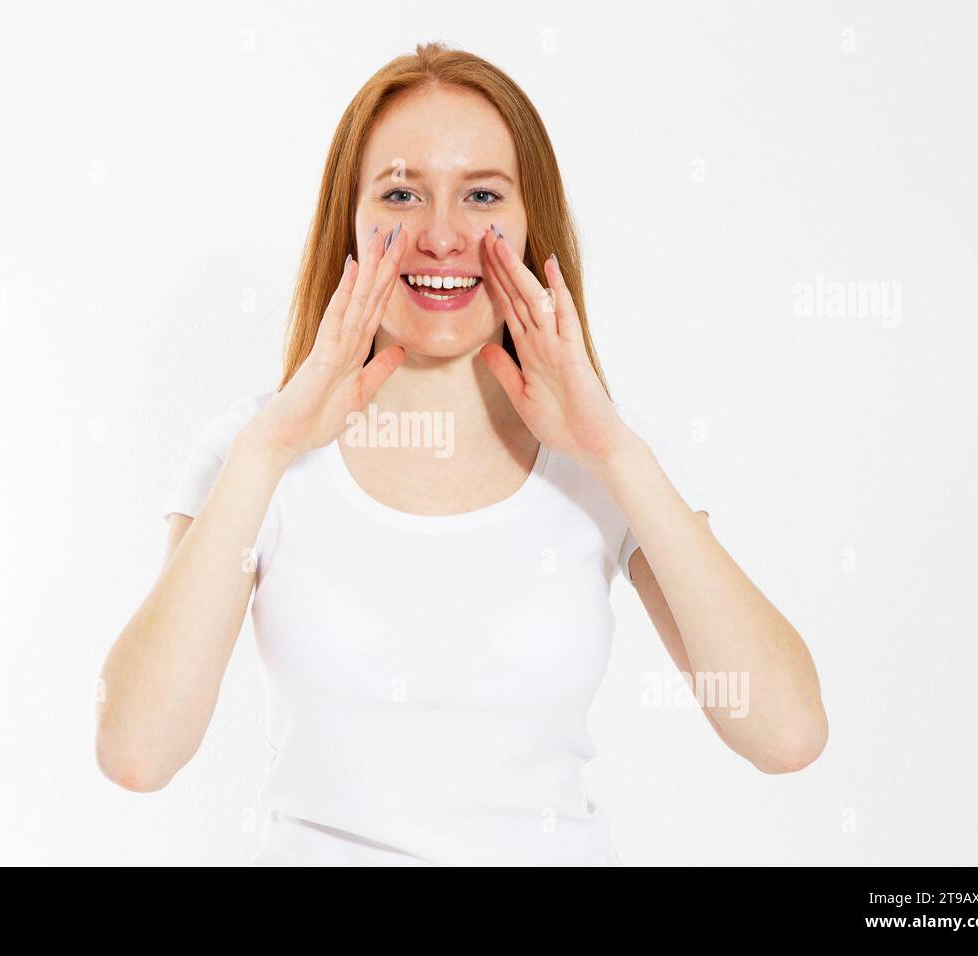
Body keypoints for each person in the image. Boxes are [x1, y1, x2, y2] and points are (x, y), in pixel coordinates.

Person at [96, 42, 828, 866]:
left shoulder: (610, 457)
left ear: (527, 226)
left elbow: (787, 733)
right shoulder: (252, 450)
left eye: (482, 194)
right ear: (351, 221)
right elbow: (137, 752)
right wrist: (271, 446)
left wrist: (612, 451)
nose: (441, 235)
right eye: (402, 193)